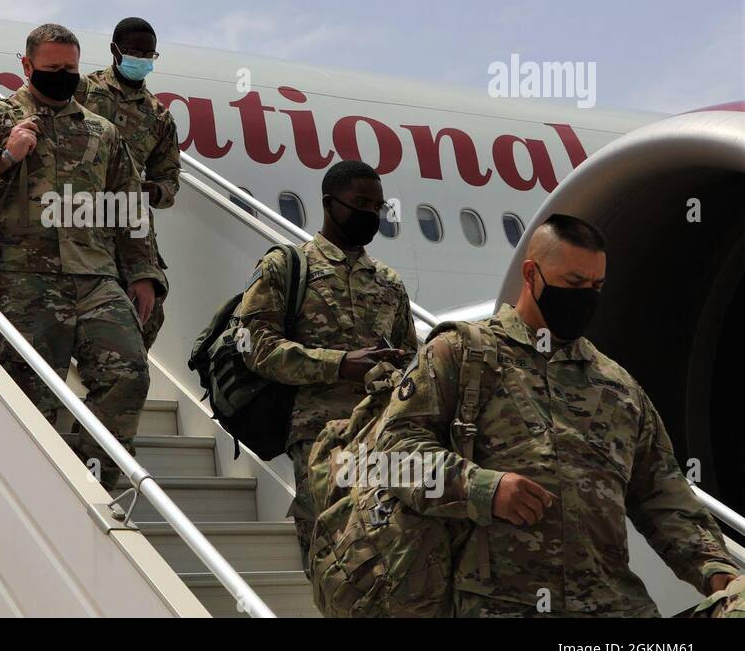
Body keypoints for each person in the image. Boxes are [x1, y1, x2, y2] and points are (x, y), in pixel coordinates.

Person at [373, 214, 739, 617]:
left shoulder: (617, 386)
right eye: (574, 284)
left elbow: (662, 495)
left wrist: (719, 573)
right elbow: (391, 457)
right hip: (499, 605)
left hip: (612, 606)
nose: (587, 297)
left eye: (597, 286)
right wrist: (482, 488)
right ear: (531, 274)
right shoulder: (461, 354)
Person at [0, 23, 163, 488]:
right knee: (32, 399)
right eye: (52, 69)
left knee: (129, 374)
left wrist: (144, 273)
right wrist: (4, 159)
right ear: (27, 66)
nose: (64, 76)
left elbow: (131, 209)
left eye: (71, 69)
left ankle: (94, 485)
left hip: (95, 277)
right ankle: (32, 492)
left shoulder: (102, 133)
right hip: (24, 279)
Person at [233, 159, 416, 577]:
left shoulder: (388, 282)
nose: (370, 213)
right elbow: (255, 346)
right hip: (317, 436)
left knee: (385, 554)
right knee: (330, 555)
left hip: (380, 434)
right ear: (330, 203)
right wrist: (339, 365)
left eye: (378, 206)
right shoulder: (287, 267)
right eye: (360, 203)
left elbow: (411, 359)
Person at [75, 17, 178, 349]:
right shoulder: (82, 91)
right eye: (135, 51)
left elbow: (169, 181)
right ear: (114, 50)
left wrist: (151, 190)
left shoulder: (159, 116)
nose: (142, 59)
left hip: (129, 223)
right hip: (77, 216)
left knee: (149, 313)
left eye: (149, 54)